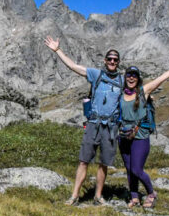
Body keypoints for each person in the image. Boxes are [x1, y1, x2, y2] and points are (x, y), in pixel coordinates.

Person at [44, 35, 124, 205]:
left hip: (110, 126)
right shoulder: (96, 74)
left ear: (118, 62)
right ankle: (74, 196)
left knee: (104, 163)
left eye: (115, 60)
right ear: (105, 60)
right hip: (94, 123)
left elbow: (136, 94)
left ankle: (98, 196)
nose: (112, 61)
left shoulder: (122, 81)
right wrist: (58, 50)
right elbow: (73, 66)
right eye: (109, 59)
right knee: (84, 160)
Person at [119, 56, 169, 208]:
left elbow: (161, 79)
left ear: (138, 79)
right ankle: (134, 197)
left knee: (136, 169)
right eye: (129, 75)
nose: (131, 78)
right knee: (128, 169)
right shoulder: (121, 94)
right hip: (124, 135)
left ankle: (151, 193)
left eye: (134, 76)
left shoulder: (143, 91)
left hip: (140, 136)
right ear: (125, 77)